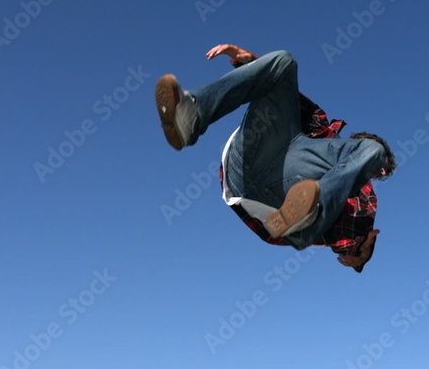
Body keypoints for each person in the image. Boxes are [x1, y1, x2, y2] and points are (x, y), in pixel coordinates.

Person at [154, 44, 395, 272]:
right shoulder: (319, 125)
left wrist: (359, 255)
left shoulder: (365, 201)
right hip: (250, 157)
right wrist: (249, 61)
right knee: (284, 61)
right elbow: (278, 87)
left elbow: (350, 240)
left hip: (274, 196)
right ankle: (190, 116)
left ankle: (309, 215)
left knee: (371, 152)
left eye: (378, 165)